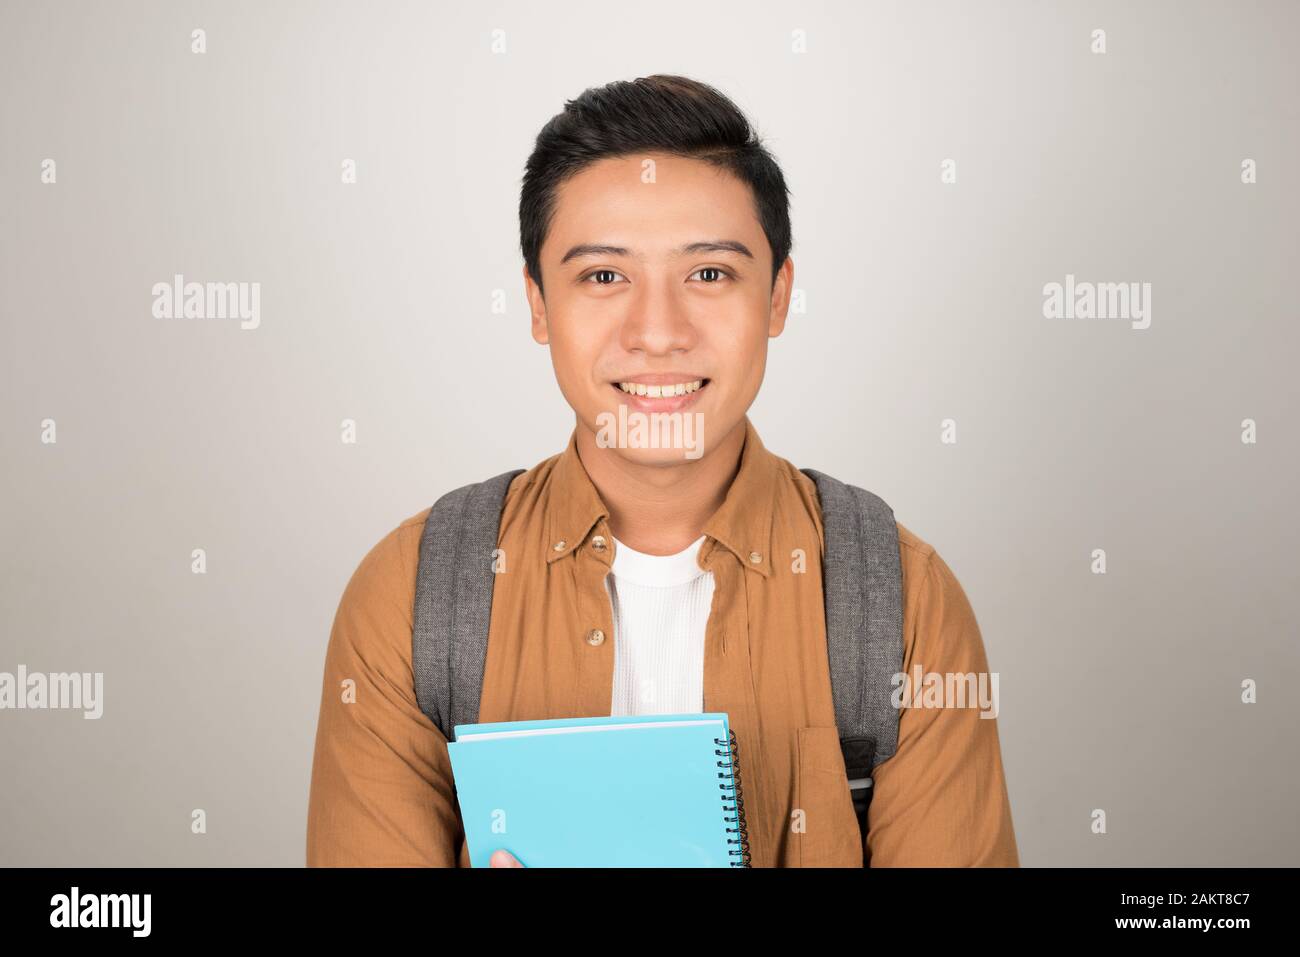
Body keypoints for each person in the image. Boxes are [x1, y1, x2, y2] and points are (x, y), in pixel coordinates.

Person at [306, 74, 1018, 867]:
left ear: (778, 296)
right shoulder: (413, 598)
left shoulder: (902, 604)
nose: (657, 331)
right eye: (604, 276)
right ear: (538, 304)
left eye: (709, 273)